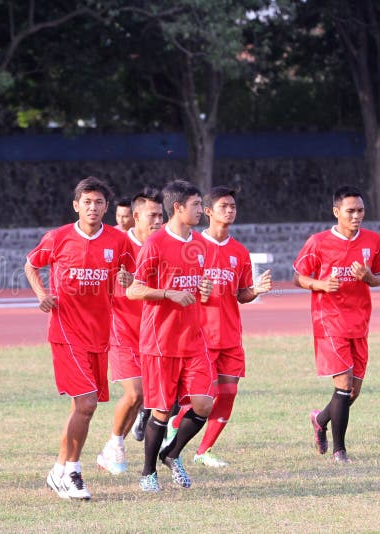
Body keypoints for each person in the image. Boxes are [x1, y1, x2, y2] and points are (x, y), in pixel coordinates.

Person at [25, 176, 134, 501]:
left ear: (106, 207)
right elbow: (31, 265)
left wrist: (127, 278)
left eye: (99, 202)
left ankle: (59, 471)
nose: (93, 207)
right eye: (86, 202)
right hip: (66, 333)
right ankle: (71, 471)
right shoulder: (58, 238)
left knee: (83, 408)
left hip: (99, 336)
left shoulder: (118, 241)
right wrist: (42, 294)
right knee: (85, 404)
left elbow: (129, 275)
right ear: (76, 205)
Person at [127, 179, 213, 493]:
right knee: (161, 410)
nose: (201, 211)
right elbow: (133, 289)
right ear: (177, 207)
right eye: (195, 205)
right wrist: (167, 294)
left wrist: (203, 289)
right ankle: (148, 472)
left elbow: (199, 283)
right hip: (161, 342)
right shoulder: (155, 244)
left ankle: (171, 453)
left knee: (204, 403)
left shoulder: (201, 244)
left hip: (194, 338)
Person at [176, 185, 272, 468]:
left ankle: (204, 450)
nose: (230, 211)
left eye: (233, 206)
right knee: (201, 397)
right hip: (200, 337)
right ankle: (173, 433)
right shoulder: (192, 246)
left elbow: (241, 295)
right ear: (207, 211)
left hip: (230, 335)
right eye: (223, 206)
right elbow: (178, 290)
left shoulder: (239, 252)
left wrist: (255, 290)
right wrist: (198, 293)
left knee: (228, 394)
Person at [293, 186, 380, 463]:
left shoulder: (372, 240)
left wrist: (368, 276)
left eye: (360, 211)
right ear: (336, 212)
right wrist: (320, 284)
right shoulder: (319, 242)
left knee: (352, 392)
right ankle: (339, 450)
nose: (357, 216)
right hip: (329, 321)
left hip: (360, 321)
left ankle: (320, 419)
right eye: (350, 211)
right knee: (343, 385)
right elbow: (298, 276)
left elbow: (379, 277)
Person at [96, 187, 163, 475]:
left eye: (162, 215)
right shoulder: (116, 244)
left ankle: (118, 442)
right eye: (153, 215)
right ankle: (114, 444)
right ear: (135, 216)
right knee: (135, 393)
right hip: (121, 330)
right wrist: (118, 278)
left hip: (154, 332)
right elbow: (97, 283)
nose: (159, 221)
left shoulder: (164, 244)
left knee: (152, 396)